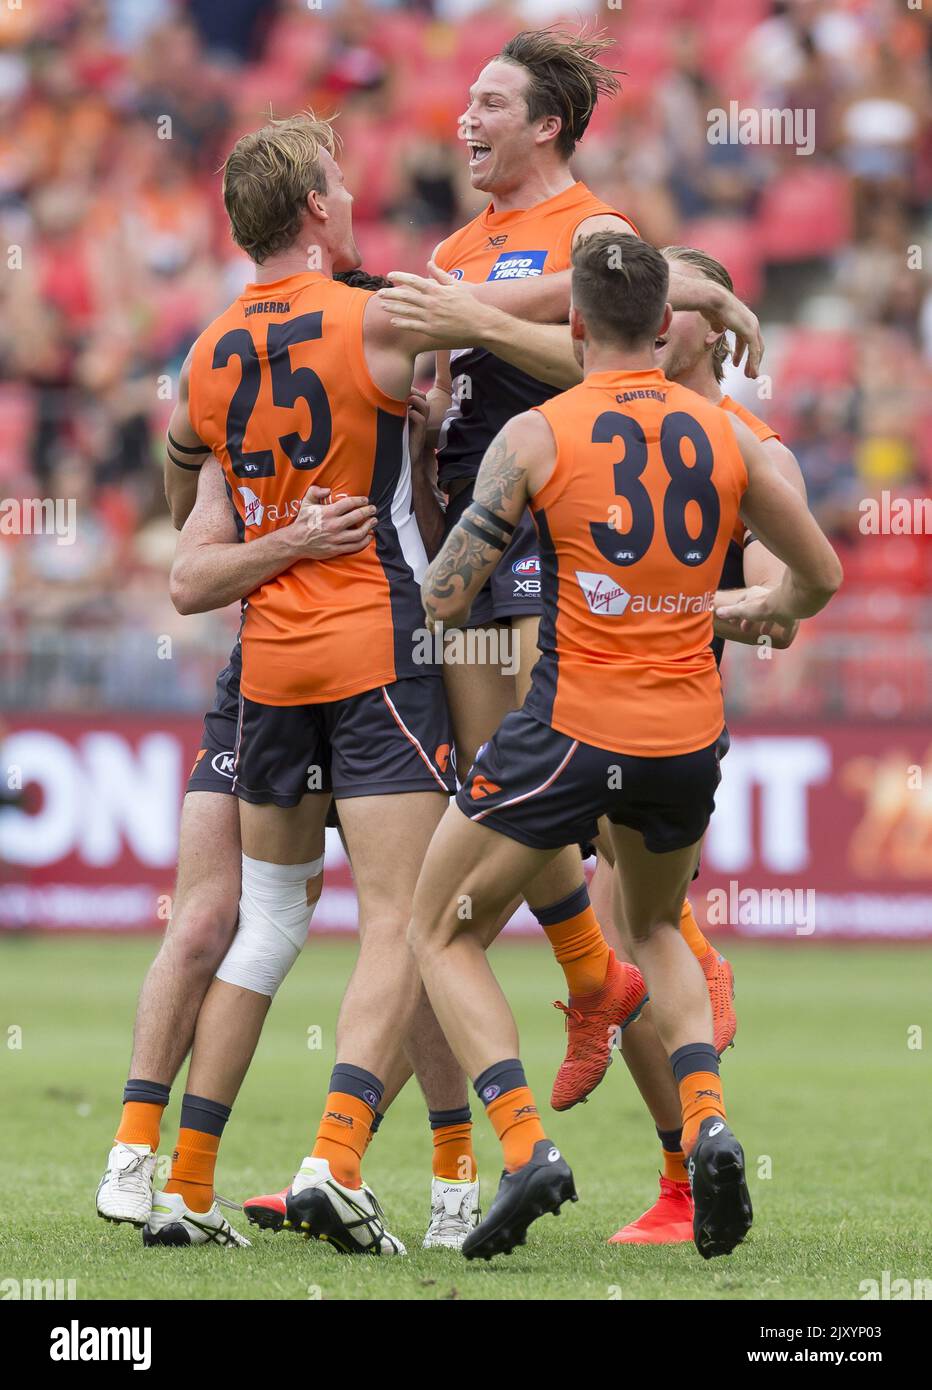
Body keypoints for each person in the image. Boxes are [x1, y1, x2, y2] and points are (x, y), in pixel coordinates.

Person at [405, 233, 842, 1261]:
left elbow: (444, 594)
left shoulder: (535, 431)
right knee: (653, 930)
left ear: (568, 327)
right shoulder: (727, 433)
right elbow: (816, 574)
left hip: (569, 730)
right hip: (687, 740)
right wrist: (756, 609)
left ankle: (524, 1148)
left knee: (437, 930)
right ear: (661, 327)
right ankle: (705, 1124)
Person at [388, 27, 765, 1114]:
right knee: (515, 774)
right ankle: (607, 978)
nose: (464, 119)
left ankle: (635, 963)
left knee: (541, 779)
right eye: (463, 101)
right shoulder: (457, 249)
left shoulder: (591, 226)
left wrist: (470, 318)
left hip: (552, 540)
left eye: (489, 104)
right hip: (471, 523)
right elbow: (445, 371)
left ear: (546, 123)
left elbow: (608, 365)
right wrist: (434, 386)